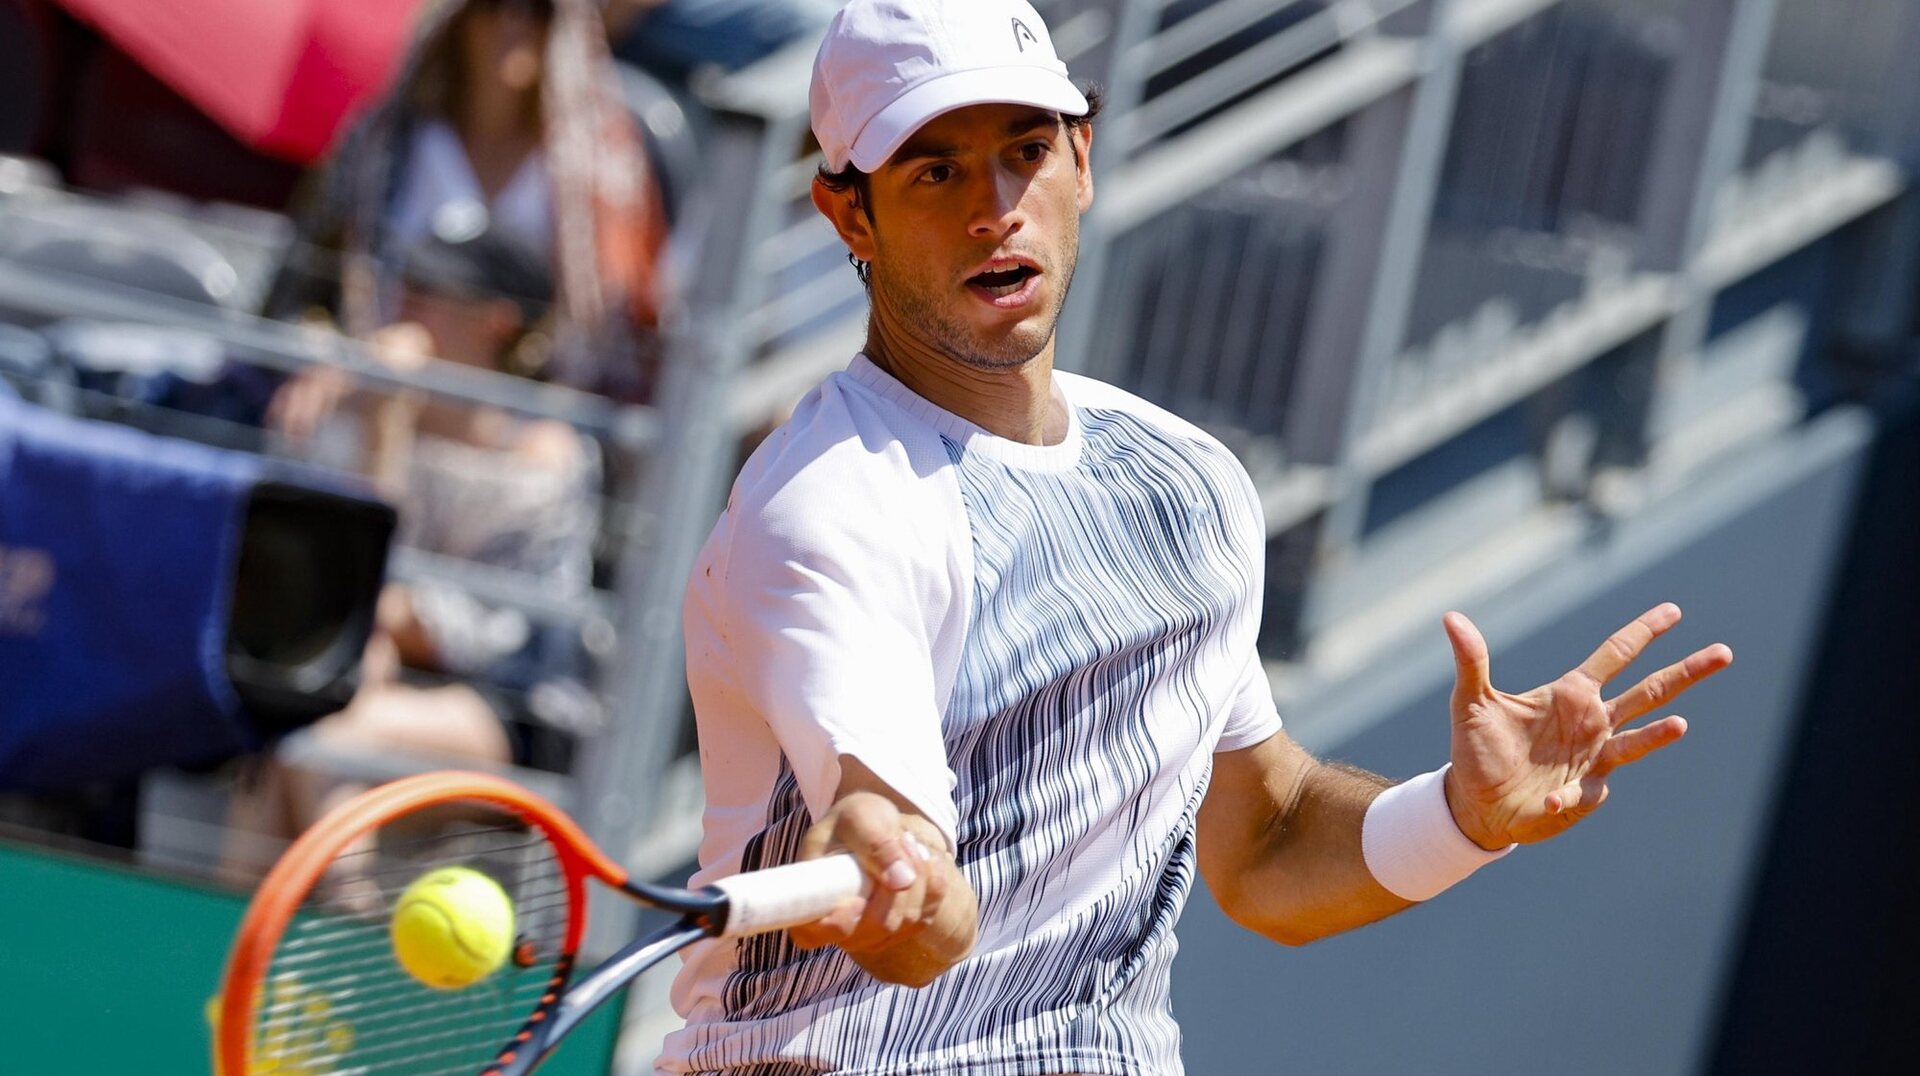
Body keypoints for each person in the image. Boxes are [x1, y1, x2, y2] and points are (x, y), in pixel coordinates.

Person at [660, 2, 1735, 1073]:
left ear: (1082, 157)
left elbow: (1264, 846)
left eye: (1025, 152)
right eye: (934, 173)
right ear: (850, 216)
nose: (996, 209)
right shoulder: (827, 509)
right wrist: (897, 883)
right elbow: (897, 872)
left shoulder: (1190, 480)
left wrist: (1463, 814)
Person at [264, 0, 667, 402]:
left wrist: (553, 424)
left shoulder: (605, 175)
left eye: (538, 10)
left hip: (522, 427)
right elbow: (301, 291)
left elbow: (625, 342)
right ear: (459, 18)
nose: (513, 22)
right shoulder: (382, 145)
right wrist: (331, 360)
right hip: (372, 391)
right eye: (492, 6)